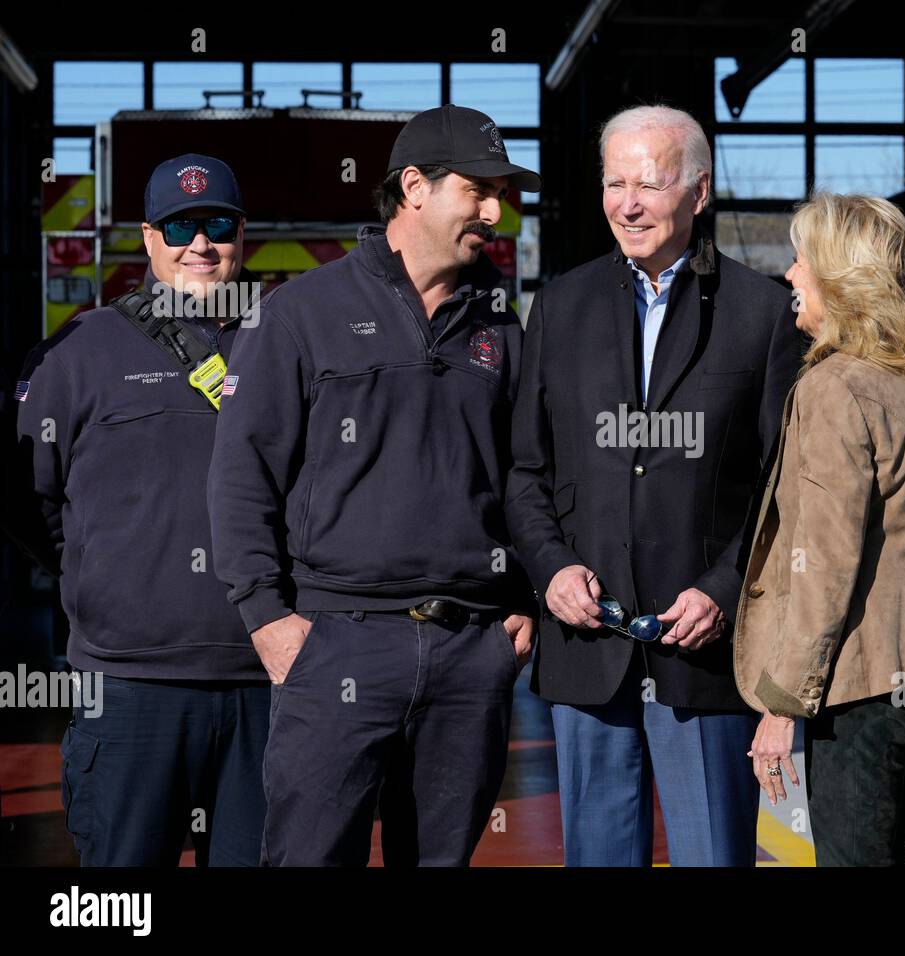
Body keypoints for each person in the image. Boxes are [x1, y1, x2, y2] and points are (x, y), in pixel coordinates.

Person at [207, 106, 541, 866]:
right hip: (337, 643)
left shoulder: (502, 323)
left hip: (469, 650)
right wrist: (267, 618)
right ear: (414, 188)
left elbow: (527, 473)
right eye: (479, 190)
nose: (495, 211)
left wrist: (524, 600)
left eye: (500, 192)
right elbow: (241, 475)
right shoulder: (300, 314)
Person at [506, 104, 802, 866]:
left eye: (650, 183)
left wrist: (725, 589)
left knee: (712, 855)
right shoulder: (560, 306)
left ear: (699, 193)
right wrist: (549, 568)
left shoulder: (763, 313)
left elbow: (785, 485)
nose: (628, 203)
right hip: (587, 641)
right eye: (614, 183)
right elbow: (527, 469)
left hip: (700, 647)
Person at [14, 154, 268, 865]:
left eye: (218, 223)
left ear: (242, 232)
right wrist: (107, 576)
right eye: (181, 226)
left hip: (269, 683)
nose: (201, 243)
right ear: (149, 239)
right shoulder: (79, 354)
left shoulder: (288, 341)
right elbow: (30, 500)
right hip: (129, 690)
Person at [733, 192, 905, 866]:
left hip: (861, 673)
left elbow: (825, 563)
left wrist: (785, 702)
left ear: (842, 279)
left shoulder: (837, 388)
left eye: (802, 260)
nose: (789, 274)